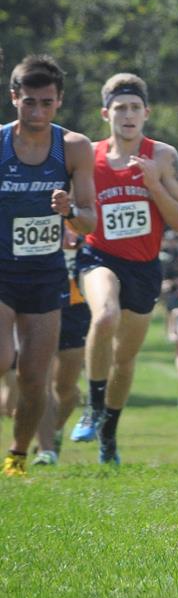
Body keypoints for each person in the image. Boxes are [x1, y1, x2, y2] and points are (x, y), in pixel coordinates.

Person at [69, 74, 178, 464]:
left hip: (144, 266)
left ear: (146, 113)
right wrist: (69, 218)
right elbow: (78, 217)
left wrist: (154, 184)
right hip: (99, 257)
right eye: (120, 108)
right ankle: (92, 408)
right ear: (106, 114)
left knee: (124, 359)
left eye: (135, 107)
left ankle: (108, 434)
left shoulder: (163, 156)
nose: (128, 115)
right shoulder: (87, 155)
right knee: (105, 315)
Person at [2, 55, 96, 477]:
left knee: (34, 378)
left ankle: (18, 455)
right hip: (2, 269)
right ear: (14, 98)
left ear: (58, 101)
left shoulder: (73, 147)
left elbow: (90, 220)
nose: (38, 112)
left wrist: (69, 210)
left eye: (46, 103)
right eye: (29, 102)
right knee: (2, 357)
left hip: (45, 274)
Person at [33, 264, 91, 464]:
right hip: (37, 299)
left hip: (75, 306)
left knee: (65, 388)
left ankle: (55, 430)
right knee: (40, 383)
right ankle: (46, 450)